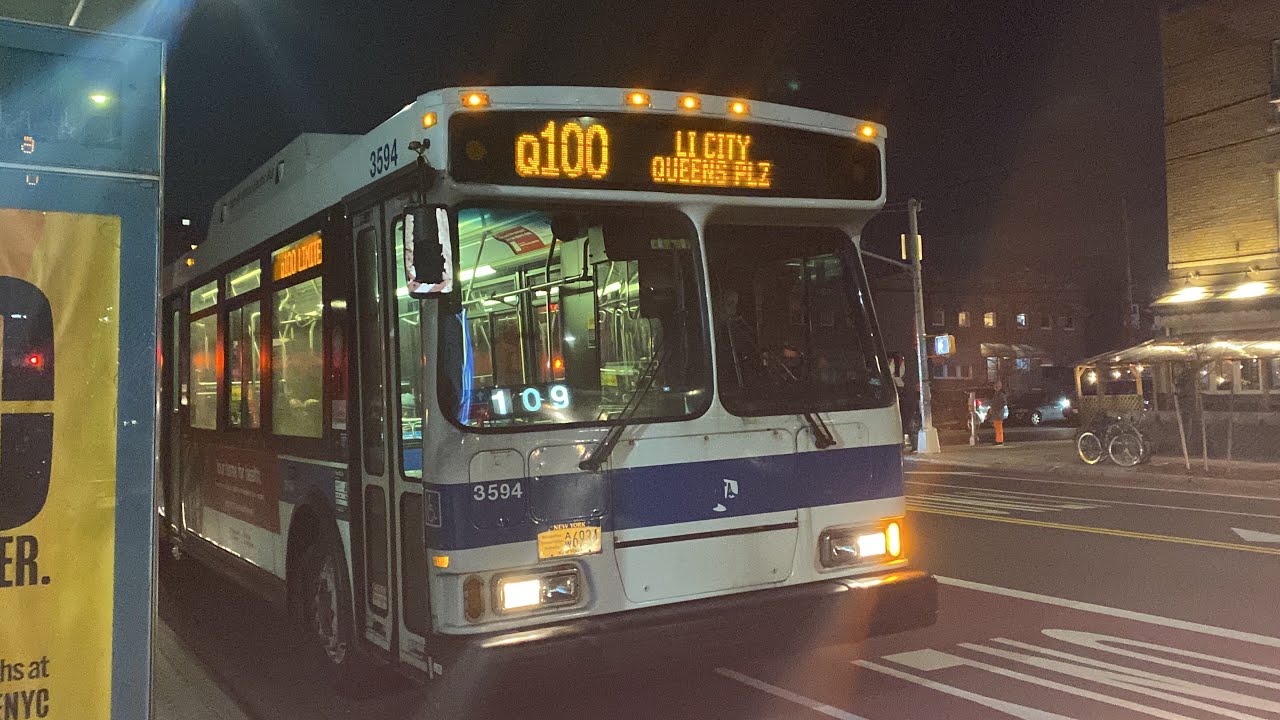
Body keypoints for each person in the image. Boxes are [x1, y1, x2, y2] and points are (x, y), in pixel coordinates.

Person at [991, 379, 1008, 446]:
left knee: (999, 427)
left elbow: (1004, 403)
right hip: (996, 413)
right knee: (997, 427)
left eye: (996, 386)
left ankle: (1000, 440)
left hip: (998, 413)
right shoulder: (997, 394)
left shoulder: (1000, 394)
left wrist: (997, 408)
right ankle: (998, 439)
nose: (995, 387)